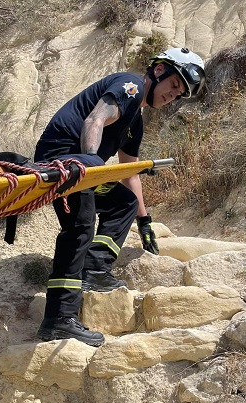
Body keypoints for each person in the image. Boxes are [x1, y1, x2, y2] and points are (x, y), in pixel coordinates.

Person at [36, 47, 206, 346]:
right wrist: (90, 164)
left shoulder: (135, 123)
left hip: (83, 168)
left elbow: (130, 173)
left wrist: (144, 222)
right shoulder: (130, 86)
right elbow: (95, 121)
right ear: (158, 71)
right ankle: (58, 319)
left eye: (179, 95)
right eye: (174, 85)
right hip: (61, 161)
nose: (173, 96)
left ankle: (94, 267)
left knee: (123, 201)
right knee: (80, 226)